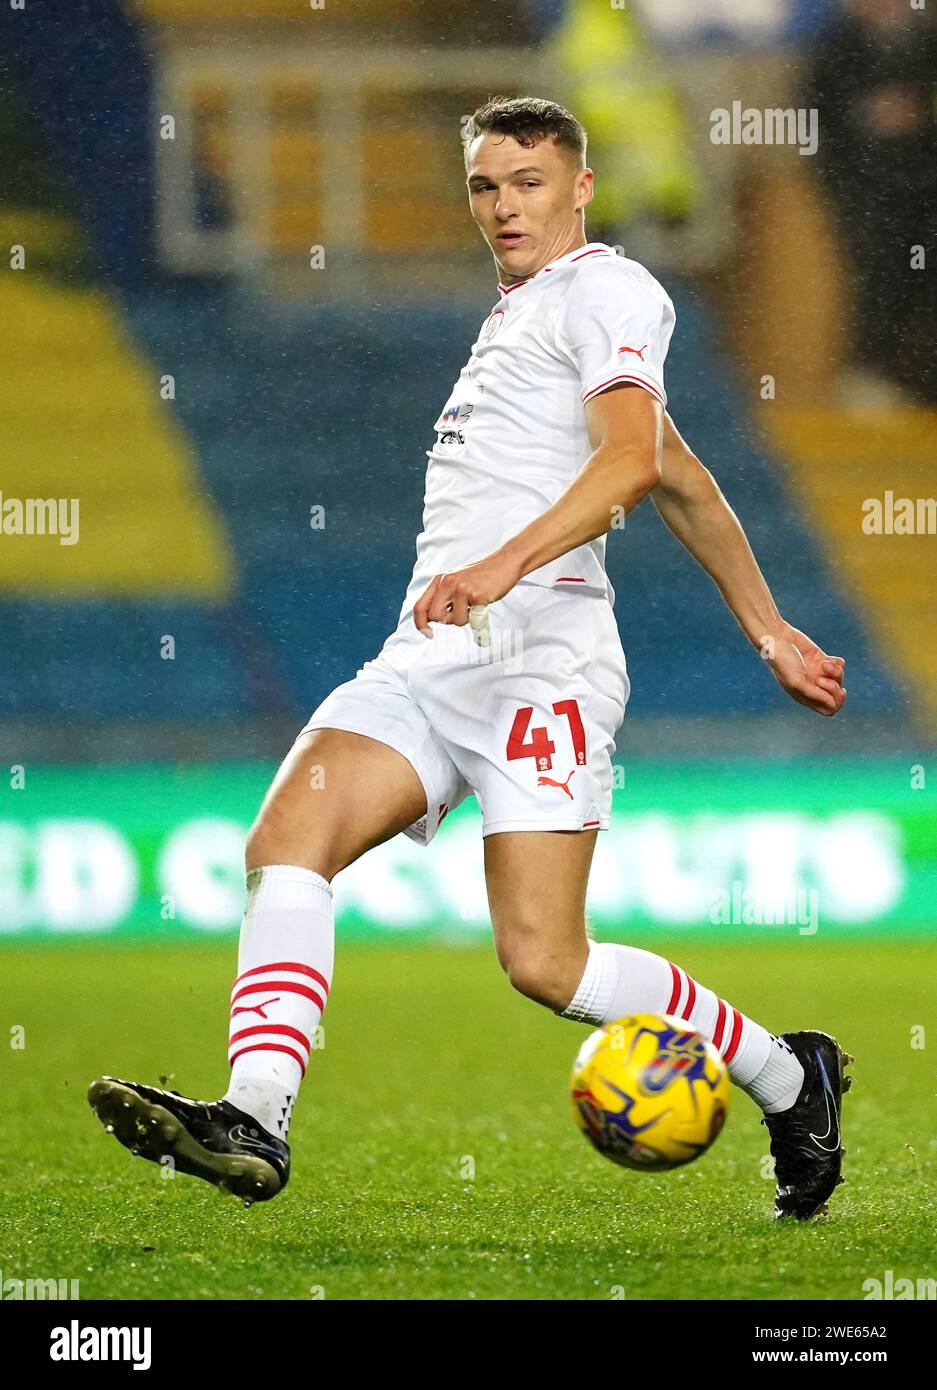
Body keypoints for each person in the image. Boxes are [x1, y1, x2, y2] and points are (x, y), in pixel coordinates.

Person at [89, 97, 849, 1221]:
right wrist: (767, 624)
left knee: (546, 963)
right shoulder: (518, 318)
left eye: (528, 182)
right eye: (486, 186)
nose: (504, 205)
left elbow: (634, 463)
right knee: (286, 838)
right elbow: (680, 471)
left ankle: (792, 1077)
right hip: (431, 655)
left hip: (542, 660)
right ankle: (256, 1113)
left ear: (580, 187)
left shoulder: (608, 287)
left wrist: (501, 566)